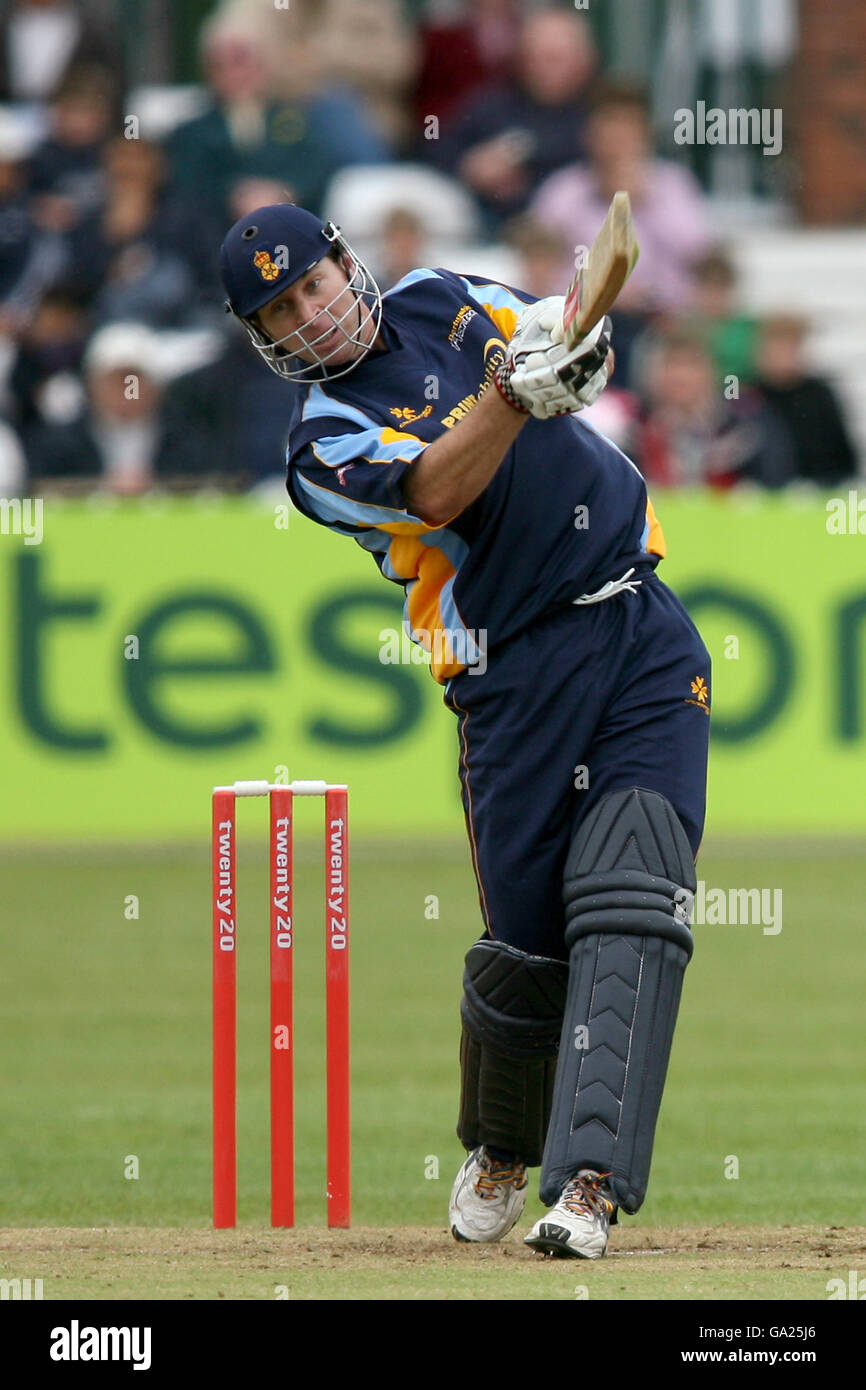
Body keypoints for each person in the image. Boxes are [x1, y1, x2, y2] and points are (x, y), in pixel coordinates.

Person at [219, 203, 711, 1259]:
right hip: (515, 678)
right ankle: (497, 1146)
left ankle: (586, 1188)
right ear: (264, 339)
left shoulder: (442, 296)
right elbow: (438, 488)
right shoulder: (319, 444)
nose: (310, 315)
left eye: (312, 283)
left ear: (347, 264)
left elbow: (549, 323)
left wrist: (577, 342)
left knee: (633, 892)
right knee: (528, 950)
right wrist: (506, 397)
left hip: (638, 629)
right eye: (280, 311)